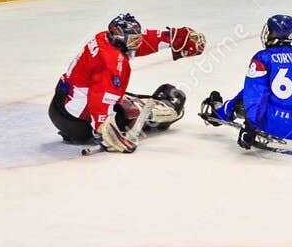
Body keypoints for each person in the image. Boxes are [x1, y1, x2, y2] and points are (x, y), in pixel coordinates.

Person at [50, 13, 204, 152]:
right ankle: (150, 117)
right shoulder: (113, 63)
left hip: (61, 106)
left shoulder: (104, 37)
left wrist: (170, 37)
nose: (137, 42)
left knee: (121, 99)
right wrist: (103, 129)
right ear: (119, 38)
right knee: (146, 109)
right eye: (133, 39)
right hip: (78, 123)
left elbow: (142, 40)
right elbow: (100, 97)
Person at [200, 14, 292, 150]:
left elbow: (255, 95)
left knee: (248, 93)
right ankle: (227, 111)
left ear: (274, 34)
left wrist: (249, 126)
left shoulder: (263, 58)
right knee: (261, 89)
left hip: (269, 121)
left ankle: (220, 112)